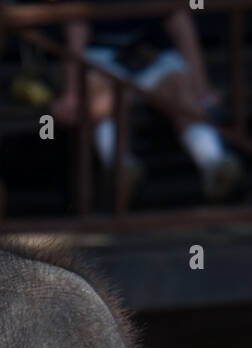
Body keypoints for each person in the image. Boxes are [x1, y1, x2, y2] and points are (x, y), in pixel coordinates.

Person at [51, 2, 240, 201]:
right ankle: (120, 169)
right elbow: (75, 36)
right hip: (102, 59)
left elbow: (181, 24)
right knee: (109, 98)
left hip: (150, 55)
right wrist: (71, 93)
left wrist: (203, 88)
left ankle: (213, 162)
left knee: (182, 88)